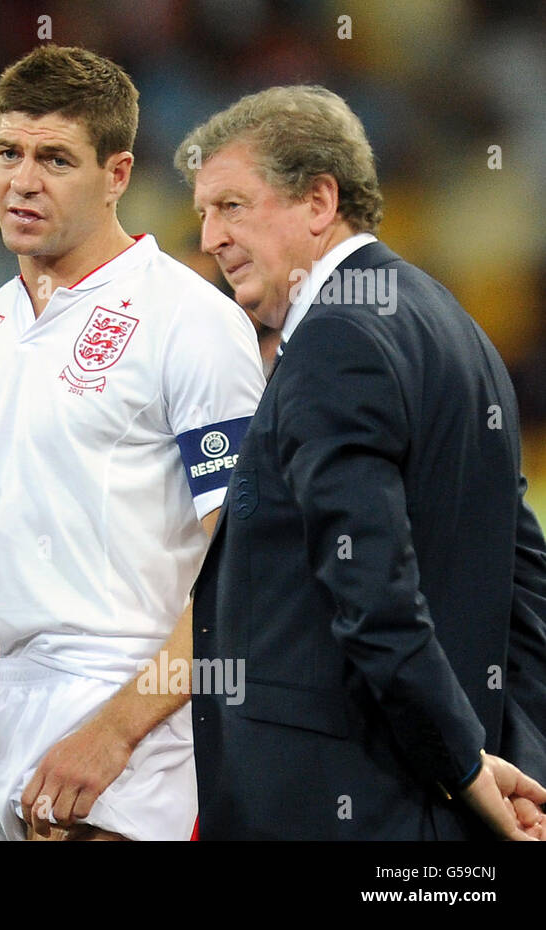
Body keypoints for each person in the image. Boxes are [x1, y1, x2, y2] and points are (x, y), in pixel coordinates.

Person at [0, 45, 265, 841]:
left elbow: (251, 565)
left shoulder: (191, 323)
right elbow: (22, 556)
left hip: (115, 713)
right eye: (8, 153)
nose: (22, 181)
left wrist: (113, 733)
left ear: (117, 172)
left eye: (55, 159)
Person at [177, 84, 546, 840]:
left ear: (319, 200)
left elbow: (372, 586)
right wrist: (521, 764)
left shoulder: (336, 342)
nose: (211, 237)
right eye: (203, 214)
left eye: (232, 206)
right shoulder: (453, 326)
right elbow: (526, 579)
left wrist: (465, 766)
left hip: (341, 806)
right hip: (428, 812)